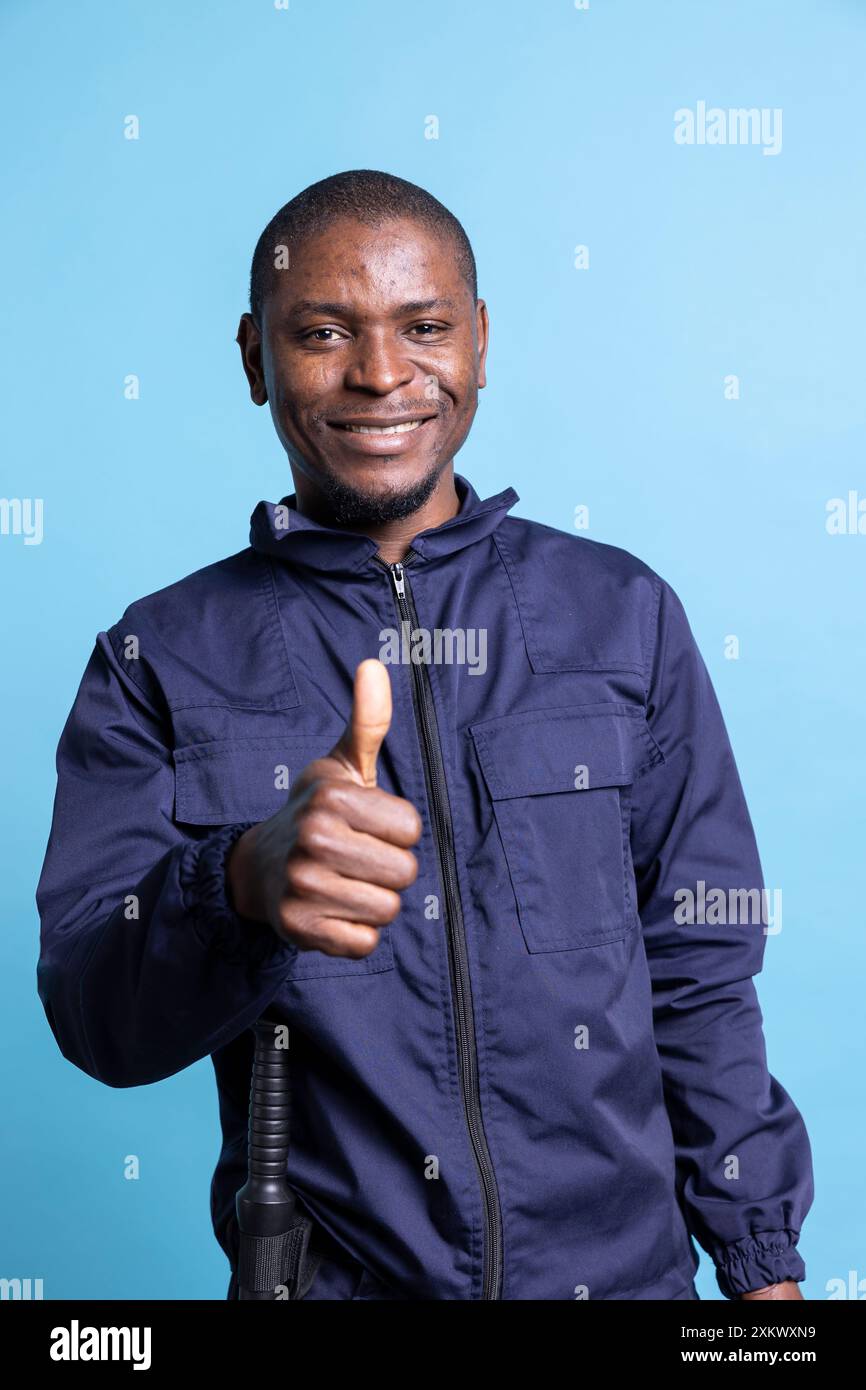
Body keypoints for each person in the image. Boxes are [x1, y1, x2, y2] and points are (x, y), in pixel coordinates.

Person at [36, 169, 813, 1301]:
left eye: (425, 327)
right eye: (323, 331)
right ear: (255, 356)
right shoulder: (157, 657)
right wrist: (239, 883)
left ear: (480, 343)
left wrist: (761, 1277)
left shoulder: (621, 614)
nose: (382, 373)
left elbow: (699, 973)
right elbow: (95, 1016)